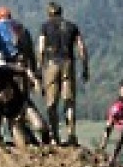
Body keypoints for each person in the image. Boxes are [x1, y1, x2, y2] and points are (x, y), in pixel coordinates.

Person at [37, 2, 88, 145]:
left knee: (51, 102)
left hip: (52, 64)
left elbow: (41, 49)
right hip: (68, 63)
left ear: (49, 13)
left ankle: (55, 137)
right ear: (61, 12)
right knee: (69, 101)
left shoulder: (45, 27)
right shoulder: (72, 27)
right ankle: (71, 135)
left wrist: (39, 69)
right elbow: (82, 48)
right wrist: (85, 68)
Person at [0, 62, 51, 146]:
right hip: (11, 118)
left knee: (40, 126)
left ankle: (47, 144)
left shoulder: (3, 70)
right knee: (23, 145)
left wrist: (34, 81)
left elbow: (24, 70)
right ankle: (30, 138)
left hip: (23, 106)